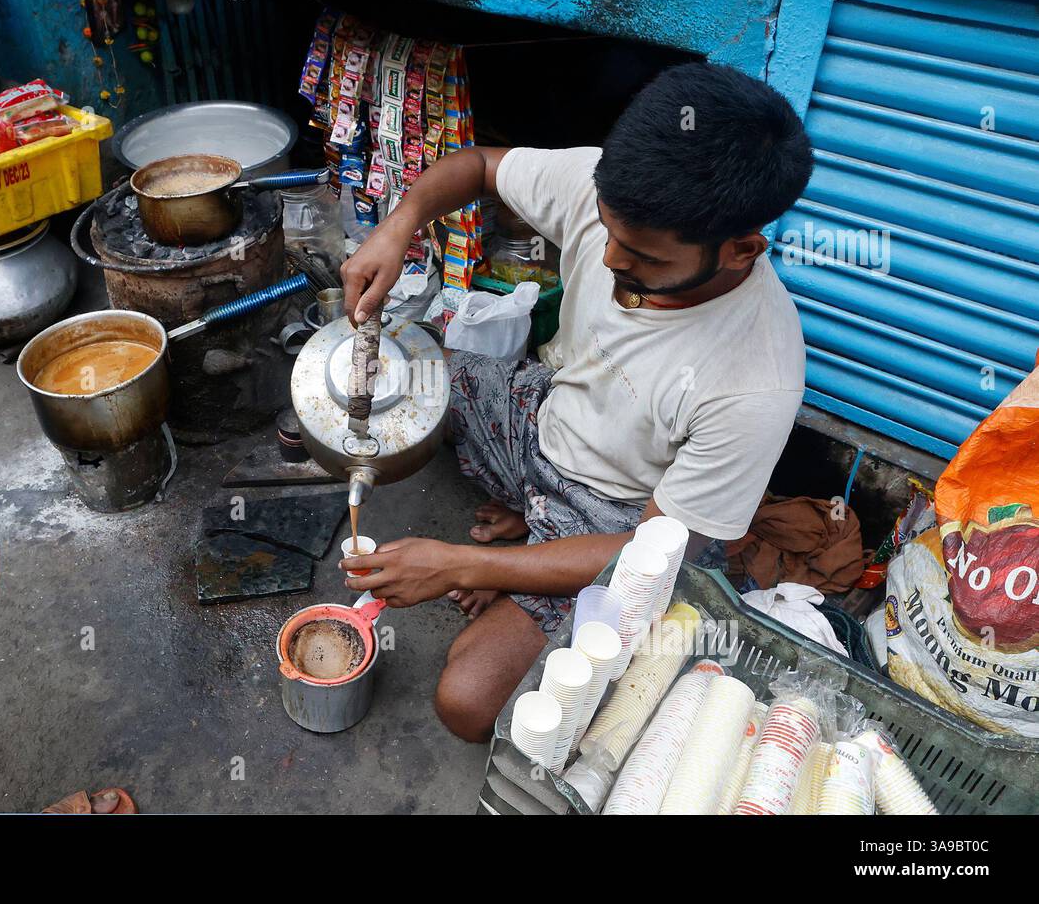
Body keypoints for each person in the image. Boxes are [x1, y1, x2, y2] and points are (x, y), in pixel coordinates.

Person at [339, 62, 814, 742]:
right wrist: (400, 223)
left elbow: (654, 554)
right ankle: (525, 530)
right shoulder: (609, 195)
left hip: (621, 517)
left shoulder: (754, 379)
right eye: (608, 231)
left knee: (468, 702)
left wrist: (459, 564)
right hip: (540, 419)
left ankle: (529, 549)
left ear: (741, 250)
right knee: (398, 370)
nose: (612, 261)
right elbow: (475, 164)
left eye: (645, 260)